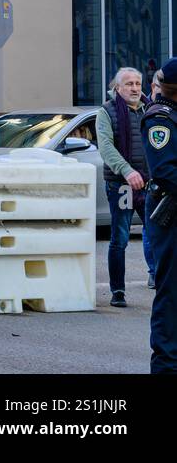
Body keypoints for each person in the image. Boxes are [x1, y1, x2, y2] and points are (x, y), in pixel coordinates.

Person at [98, 67, 157, 304]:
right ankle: (117, 291)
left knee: (157, 234)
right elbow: (106, 147)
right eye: (129, 84)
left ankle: (160, 279)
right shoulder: (106, 111)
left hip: (150, 185)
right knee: (120, 239)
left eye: (137, 83)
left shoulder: (151, 110)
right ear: (117, 88)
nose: (134, 88)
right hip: (120, 185)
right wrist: (127, 171)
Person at [140, 58, 177, 374]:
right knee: (170, 291)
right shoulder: (159, 119)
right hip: (171, 215)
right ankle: (165, 366)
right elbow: (164, 171)